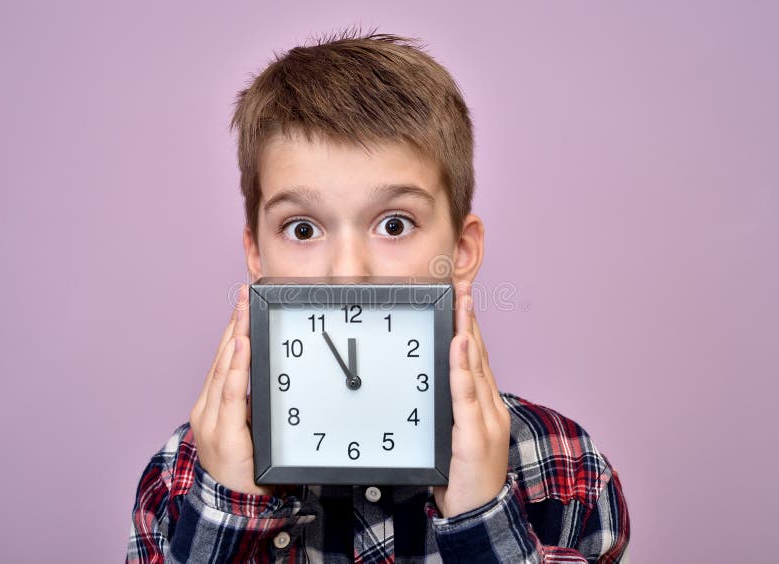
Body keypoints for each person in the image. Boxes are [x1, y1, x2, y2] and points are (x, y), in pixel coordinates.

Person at [127, 29, 630, 563]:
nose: (348, 275)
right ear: (257, 257)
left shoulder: (564, 466)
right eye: (302, 229)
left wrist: (483, 516)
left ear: (460, 251)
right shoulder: (181, 478)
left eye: (394, 224)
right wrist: (226, 508)